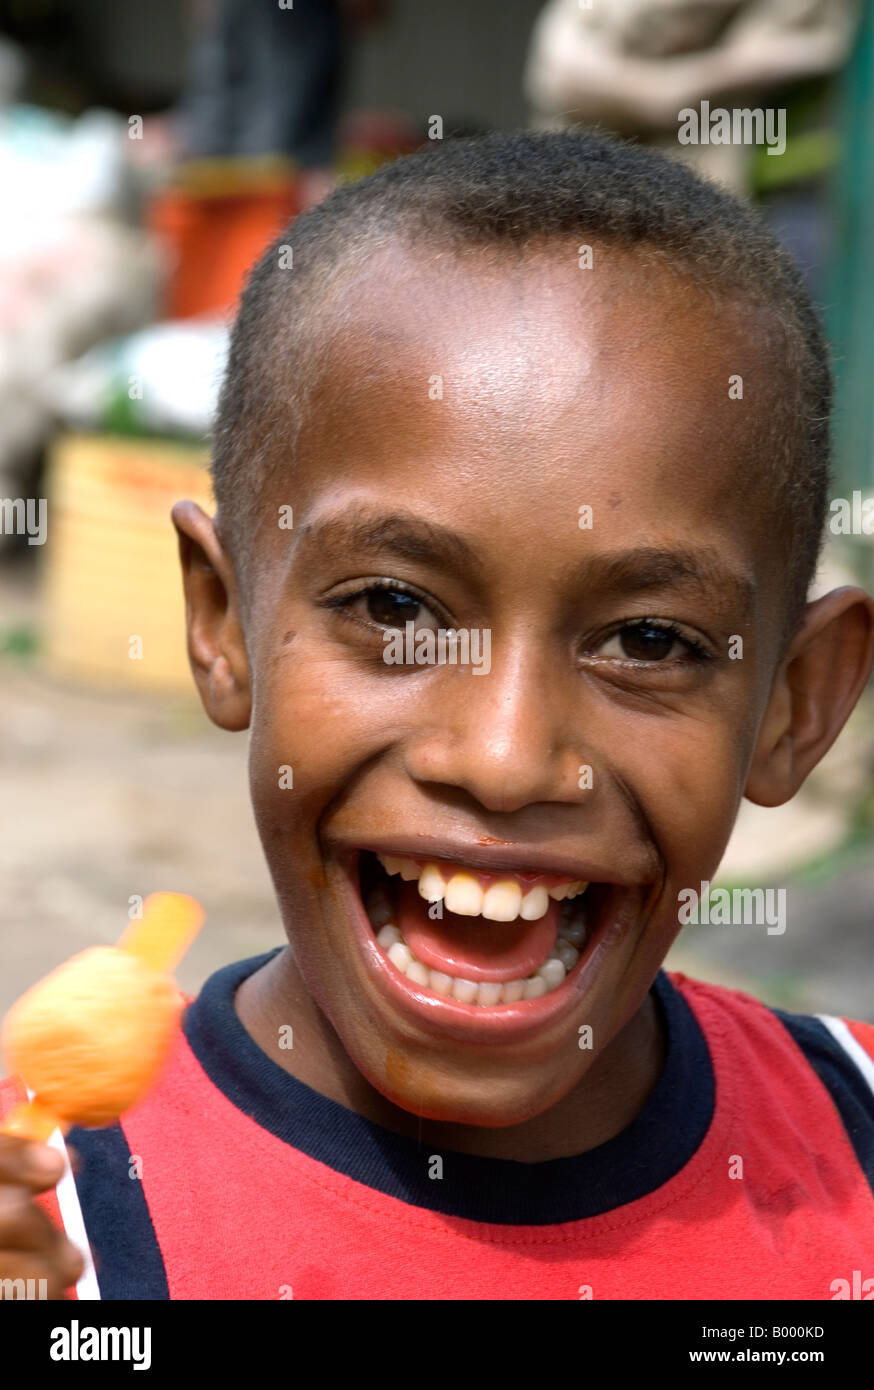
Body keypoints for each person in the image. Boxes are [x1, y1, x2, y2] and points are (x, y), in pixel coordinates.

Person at [2, 131, 874, 1300]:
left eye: (647, 640)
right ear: (221, 622)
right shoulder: (57, 1222)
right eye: (396, 608)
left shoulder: (852, 1146)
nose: (507, 759)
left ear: (793, 706)